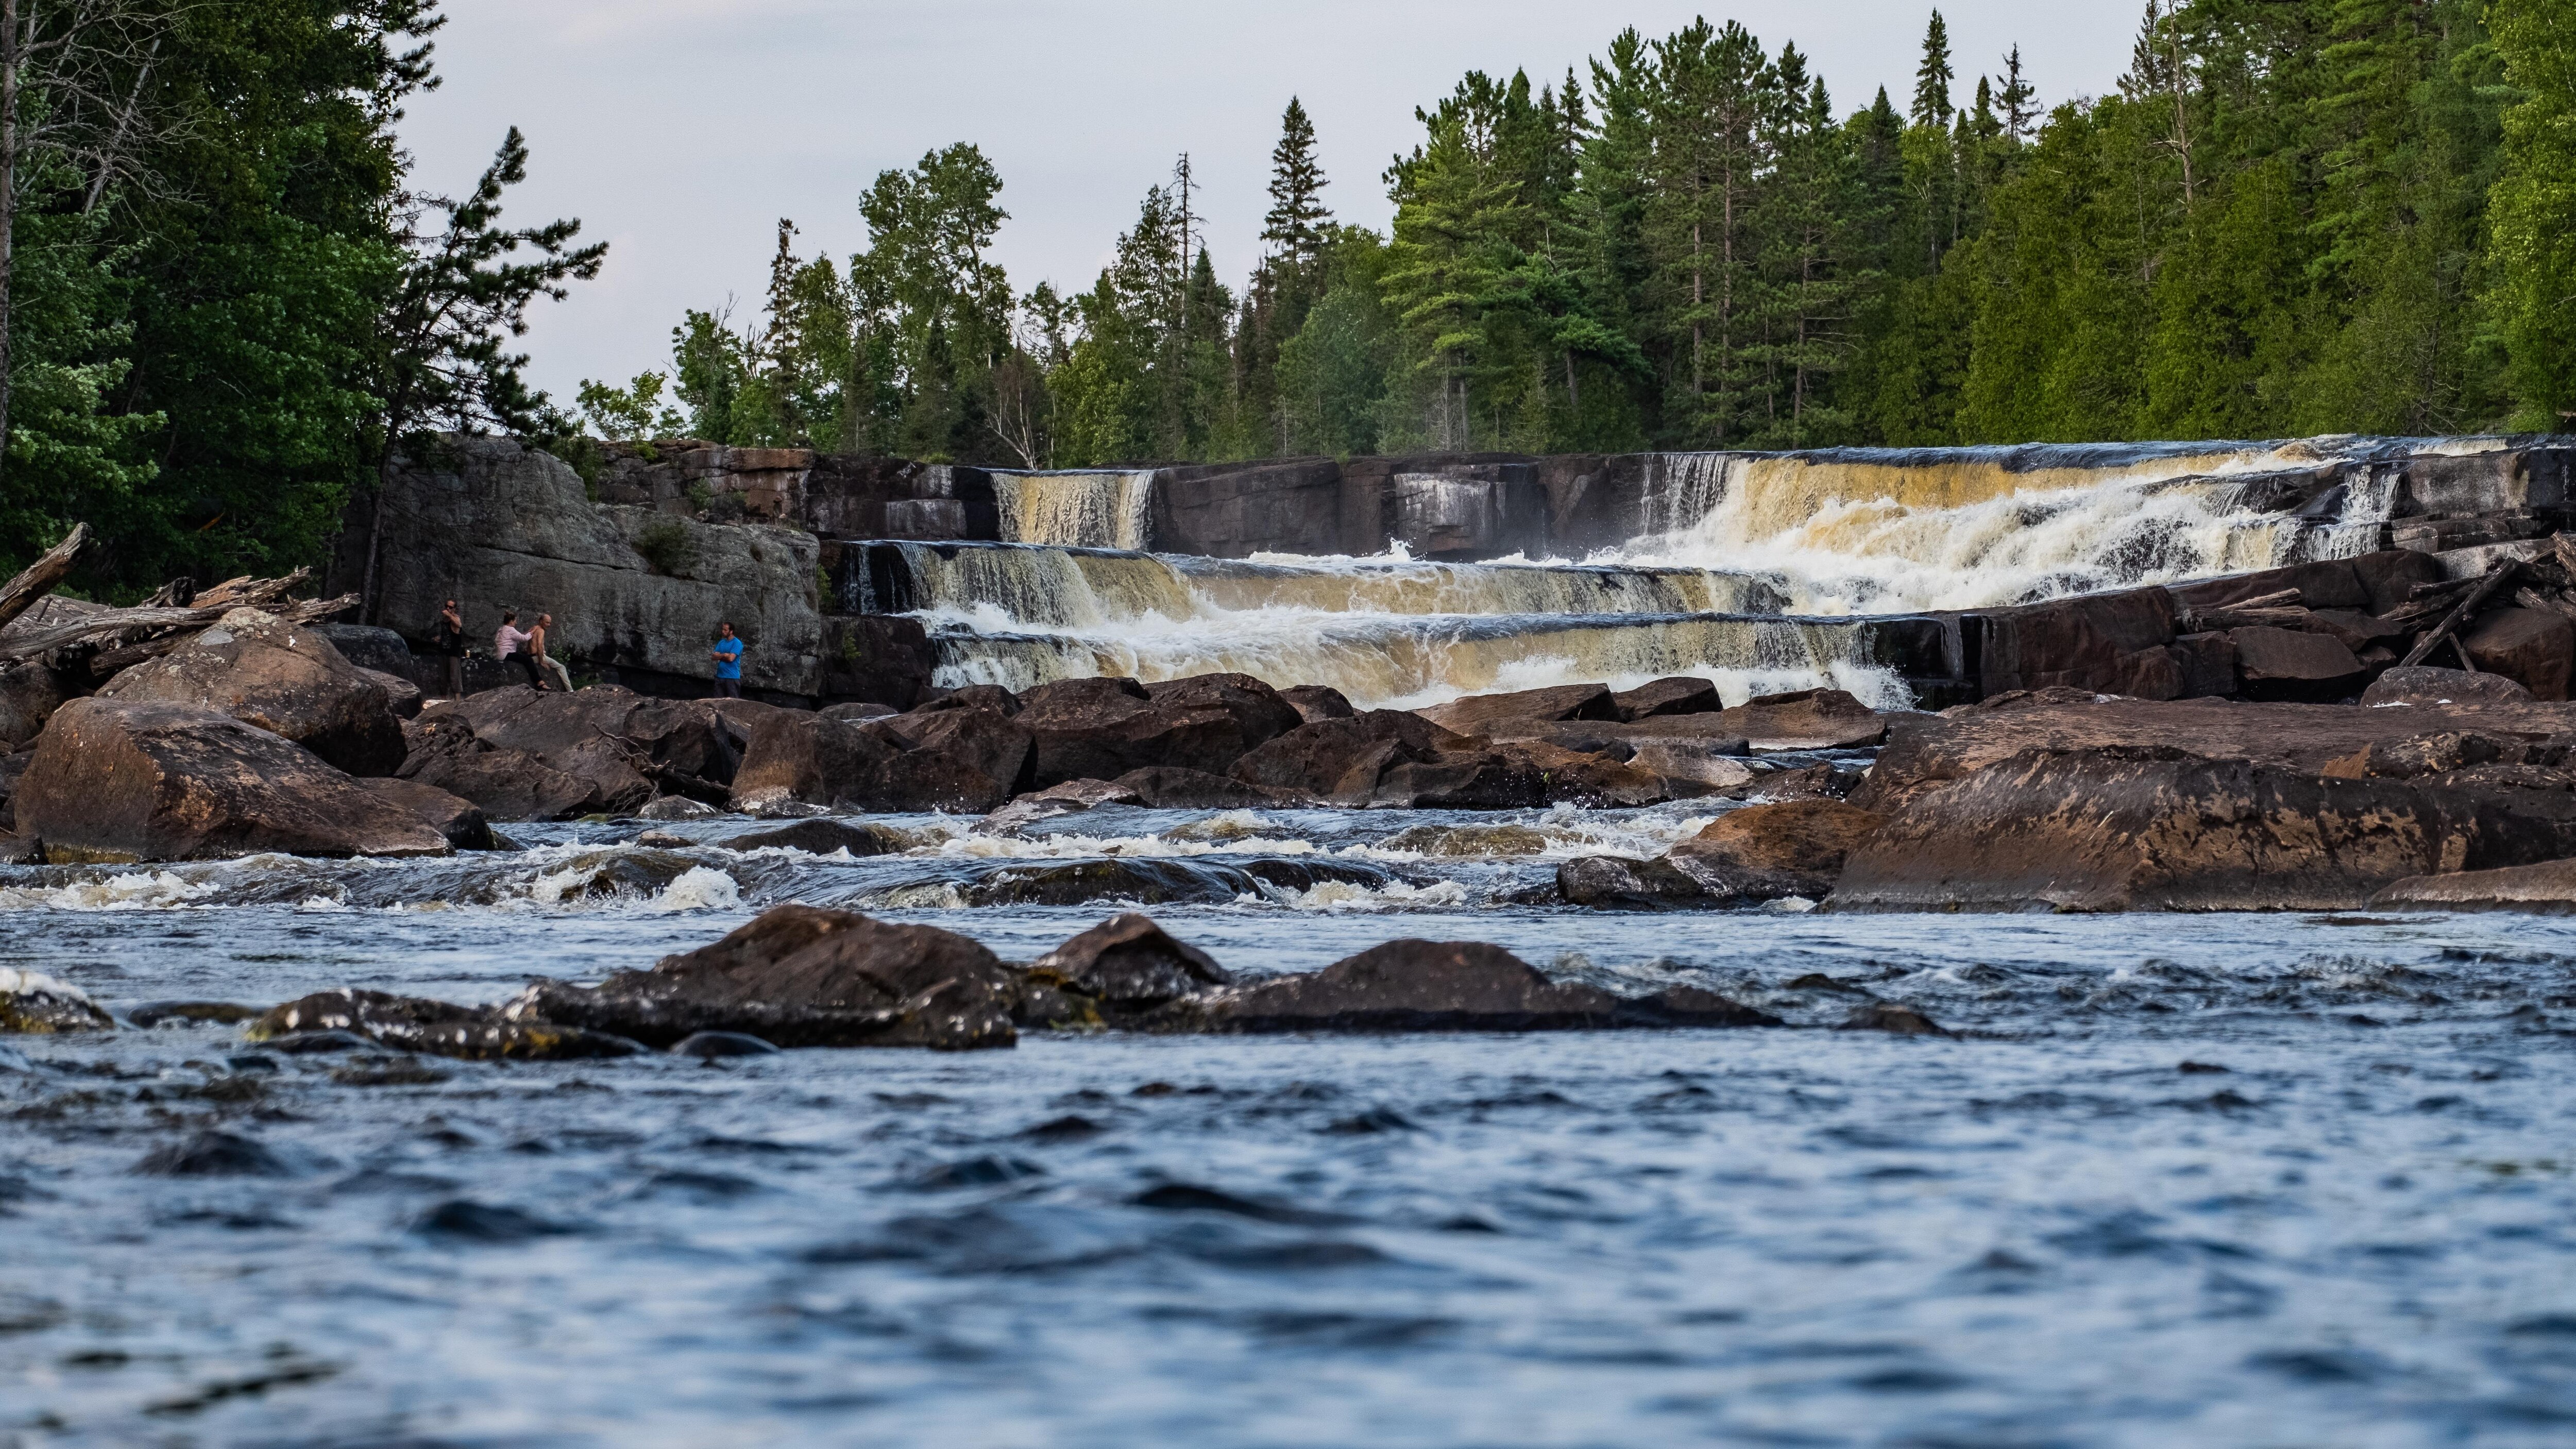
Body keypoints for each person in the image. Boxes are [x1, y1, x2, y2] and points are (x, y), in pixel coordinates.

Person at [494, 610, 545, 690]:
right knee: (528, 659)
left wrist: (528, 633)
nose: (516, 623)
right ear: (511, 621)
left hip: (499, 654)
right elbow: (524, 638)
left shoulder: (501, 629)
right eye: (515, 621)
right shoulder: (510, 629)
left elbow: (516, 638)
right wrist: (533, 631)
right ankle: (539, 682)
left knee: (524, 657)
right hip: (506, 654)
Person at [432, 599, 468, 700]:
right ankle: (443, 701)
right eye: (446, 606)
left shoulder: (456, 618)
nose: (448, 608)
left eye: (451, 607)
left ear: (454, 609)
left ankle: (457, 703)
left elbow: (459, 625)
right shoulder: (444, 621)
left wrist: (450, 616)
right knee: (443, 679)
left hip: (453, 653)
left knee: (454, 678)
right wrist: (438, 639)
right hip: (443, 651)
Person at [531, 612, 575, 693]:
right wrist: (542, 662)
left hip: (530, 656)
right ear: (541, 621)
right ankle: (571, 691)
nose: (549, 625)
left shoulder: (534, 629)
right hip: (536, 657)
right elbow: (539, 646)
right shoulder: (541, 631)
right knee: (562, 668)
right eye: (547, 622)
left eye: (550, 623)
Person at [709, 622, 744, 698]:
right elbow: (713, 657)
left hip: (732, 677)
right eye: (722, 629)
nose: (723, 632)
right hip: (720, 676)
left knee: (732, 702)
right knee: (718, 701)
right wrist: (724, 655)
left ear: (731, 632)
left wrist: (720, 656)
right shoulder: (722, 642)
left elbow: (731, 658)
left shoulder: (737, 643)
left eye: (725, 630)